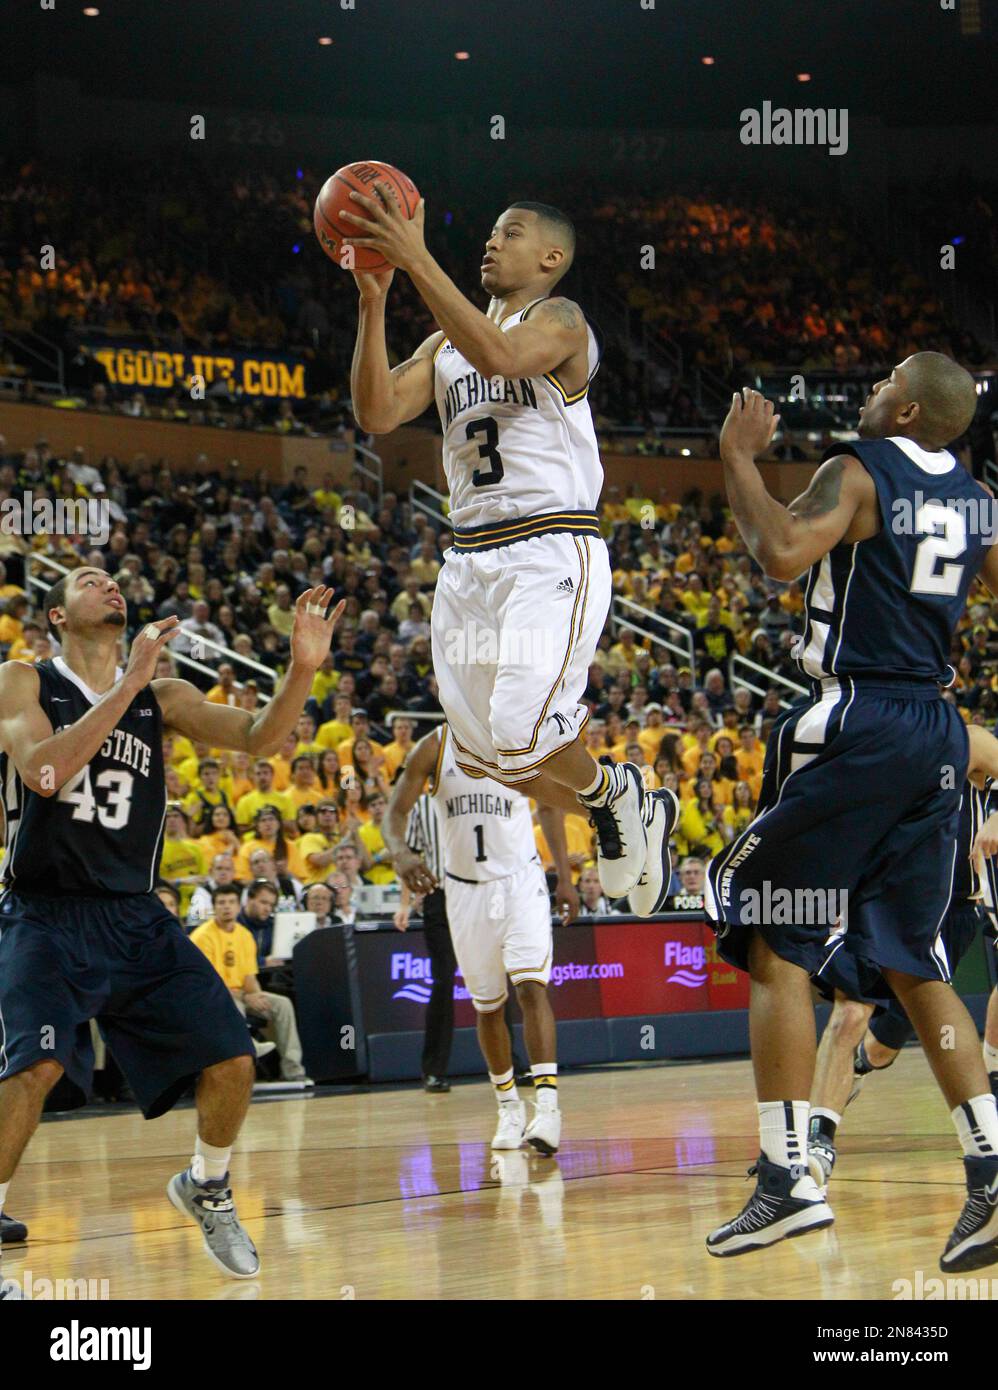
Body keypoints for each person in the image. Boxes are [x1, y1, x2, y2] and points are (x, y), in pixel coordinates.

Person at [704, 361, 998, 1271]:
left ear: (905, 411)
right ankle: (991, 1171)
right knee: (913, 963)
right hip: (935, 731)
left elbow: (782, 552)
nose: (872, 385)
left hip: (856, 717)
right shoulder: (981, 499)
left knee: (769, 930)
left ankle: (786, 1178)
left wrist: (738, 459)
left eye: (887, 379)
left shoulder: (862, 465)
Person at [0, 567, 341, 1294]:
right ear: (57, 618)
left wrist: (301, 669)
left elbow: (258, 737)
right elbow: (44, 773)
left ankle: (207, 1184)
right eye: (90, 582)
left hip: (133, 913)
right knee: (33, 1069)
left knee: (233, 1060)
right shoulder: (24, 680)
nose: (111, 588)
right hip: (46, 910)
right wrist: (128, 685)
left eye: (117, 582)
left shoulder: (165, 697)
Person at [344, 190, 678, 913]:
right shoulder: (441, 347)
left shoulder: (560, 320)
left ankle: (613, 794)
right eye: (491, 234)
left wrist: (413, 255)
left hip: (548, 548)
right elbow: (374, 412)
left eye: (512, 234)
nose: (492, 244)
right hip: (469, 559)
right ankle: (613, 801)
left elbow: (499, 353)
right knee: (490, 759)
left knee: (521, 732)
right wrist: (374, 300)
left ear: (551, 258)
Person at [808, 724, 998, 1187]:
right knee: (851, 1011)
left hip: (952, 910)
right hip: (885, 899)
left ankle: (858, 1068)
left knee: (885, 1039)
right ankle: (814, 1145)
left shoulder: (967, 739)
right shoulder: (868, 747)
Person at [384, 722, 577, 1152]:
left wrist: (564, 877)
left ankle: (547, 1109)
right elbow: (394, 814)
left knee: (531, 988)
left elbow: (548, 806)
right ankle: (508, 1108)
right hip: (464, 890)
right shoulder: (432, 747)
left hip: (520, 880)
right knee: (488, 1005)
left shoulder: (515, 736)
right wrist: (401, 853)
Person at [191, 886, 311, 1086]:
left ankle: (293, 1070)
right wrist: (246, 998)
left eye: (231, 902)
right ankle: (251, 1046)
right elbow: (210, 985)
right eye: (221, 903)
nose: (226, 907)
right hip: (213, 997)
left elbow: (249, 977)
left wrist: (256, 995)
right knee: (232, 1004)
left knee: (283, 1004)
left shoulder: (244, 935)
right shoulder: (202, 937)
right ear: (214, 907)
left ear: (239, 906)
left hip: (240, 993)